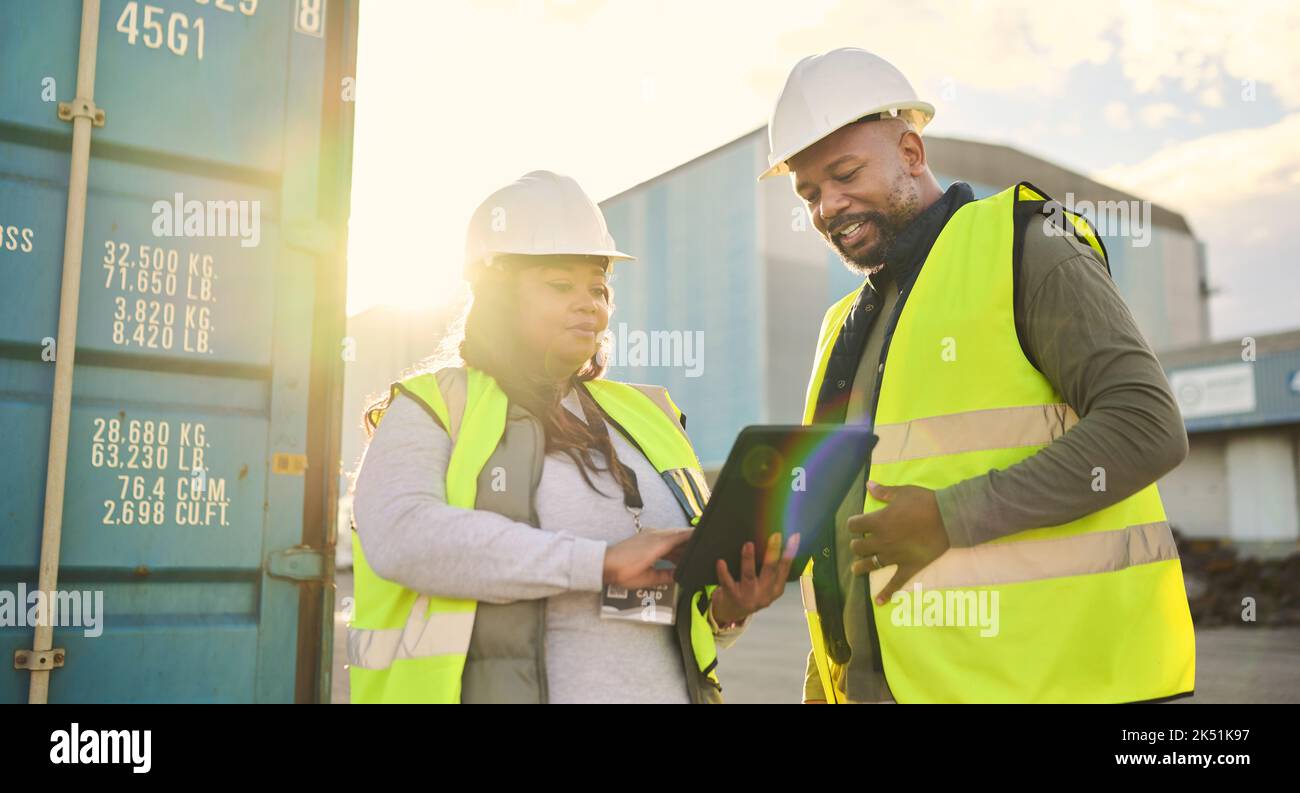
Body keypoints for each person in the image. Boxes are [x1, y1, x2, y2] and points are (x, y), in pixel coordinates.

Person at [759, 49, 1196, 703]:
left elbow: (1147, 426)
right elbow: (840, 534)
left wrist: (950, 516)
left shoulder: (1026, 247)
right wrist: (826, 683)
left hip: (1052, 685)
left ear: (911, 152)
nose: (827, 207)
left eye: (845, 174)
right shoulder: (841, 327)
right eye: (810, 194)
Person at [348, 171, 797, 703]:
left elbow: (642, 606)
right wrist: (597, 561)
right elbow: (403, 538)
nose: (591, 305)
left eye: (599, 288)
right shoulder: (434, 405)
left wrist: (728, 609)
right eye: (561, 285)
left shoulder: (644, 416)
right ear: (496, 295)